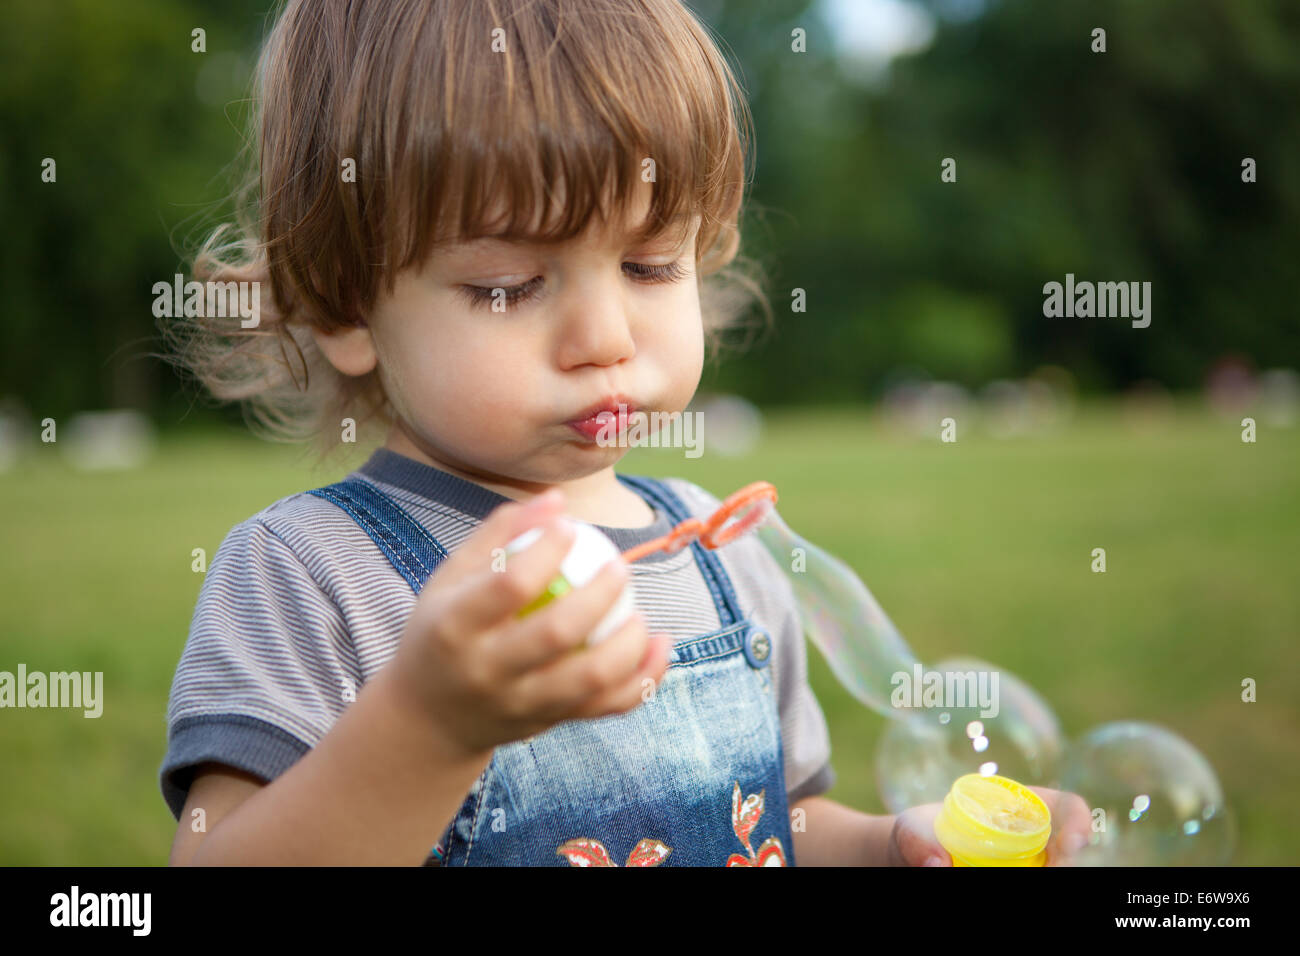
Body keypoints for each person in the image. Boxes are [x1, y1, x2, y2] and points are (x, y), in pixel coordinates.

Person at [159, 0, 1087, 866]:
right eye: (508, 286)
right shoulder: (310, 574)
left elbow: (780, 822)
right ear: (343, 305)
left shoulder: (726, 558)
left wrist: (892, 846)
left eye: (649, 265)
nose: (605, 339)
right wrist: (428, 729)